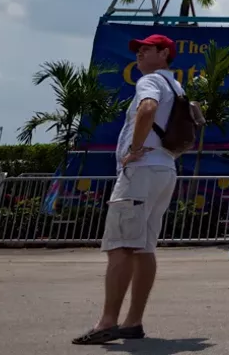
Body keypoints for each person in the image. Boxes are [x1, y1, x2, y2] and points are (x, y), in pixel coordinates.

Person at [73, 34, 185, 345]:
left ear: (164, 54)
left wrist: (134, 148)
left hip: (141, 171)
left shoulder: (150, 82)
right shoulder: (177, 87)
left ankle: (107, 321)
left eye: (147, 49)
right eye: (139, 49)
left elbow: (147, 110)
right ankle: (133, 321)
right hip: (165, 168)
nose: (140, 53)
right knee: (145, 247)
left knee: (120, 246)